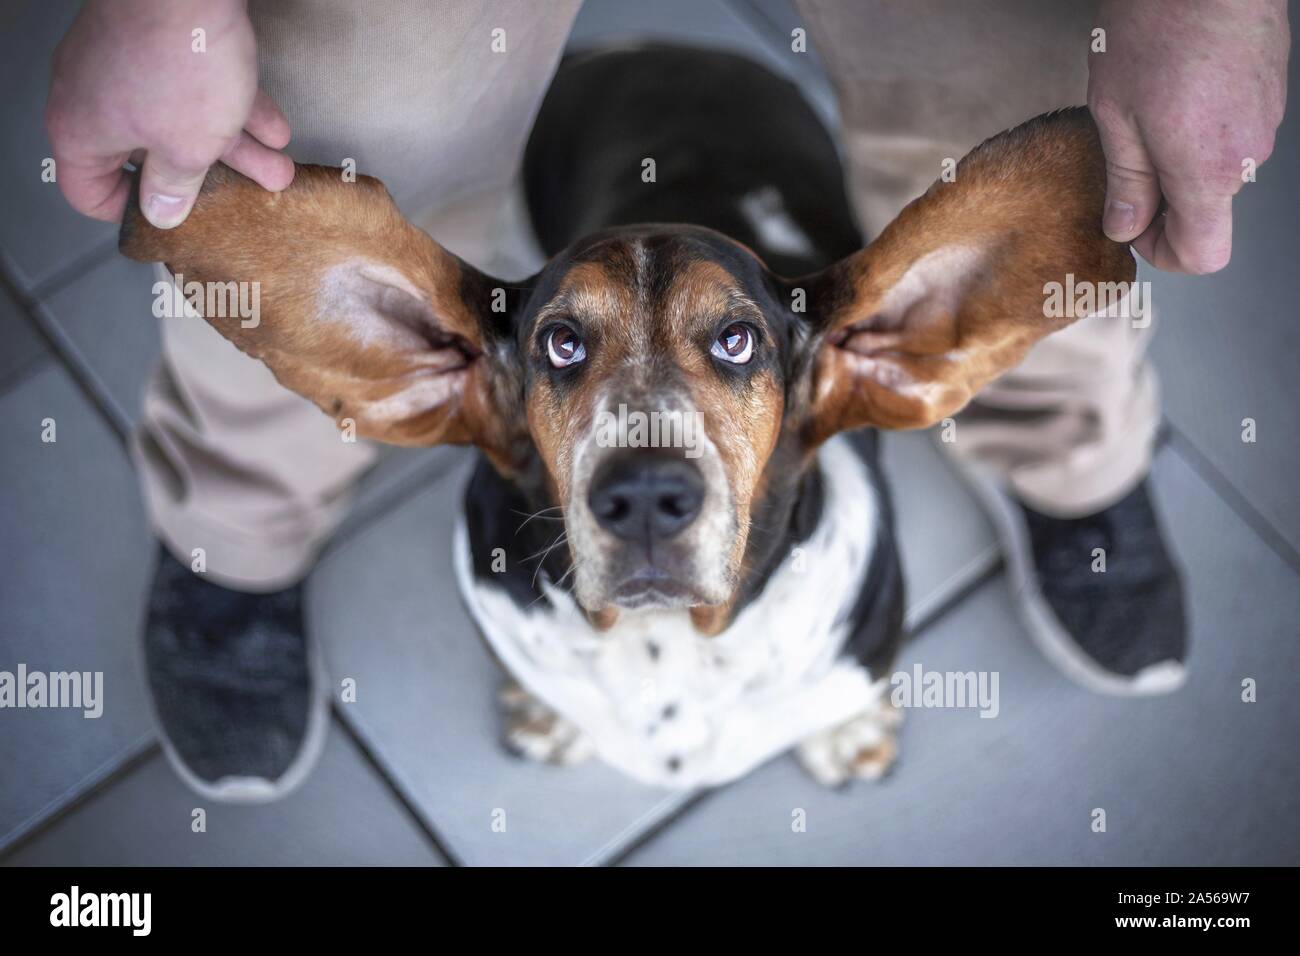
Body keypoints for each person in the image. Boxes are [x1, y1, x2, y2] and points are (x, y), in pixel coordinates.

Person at [45, 0, 1290, 800]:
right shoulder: (455, 368)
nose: (647, 463)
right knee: (336, 102)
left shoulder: (877, 353)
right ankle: (239, 531)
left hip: (804, 208)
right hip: (567, 149)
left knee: (1013, 77)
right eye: (565, 353)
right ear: (446, 370)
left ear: (886, 359)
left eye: (740, 346)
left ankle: (1068, 459)